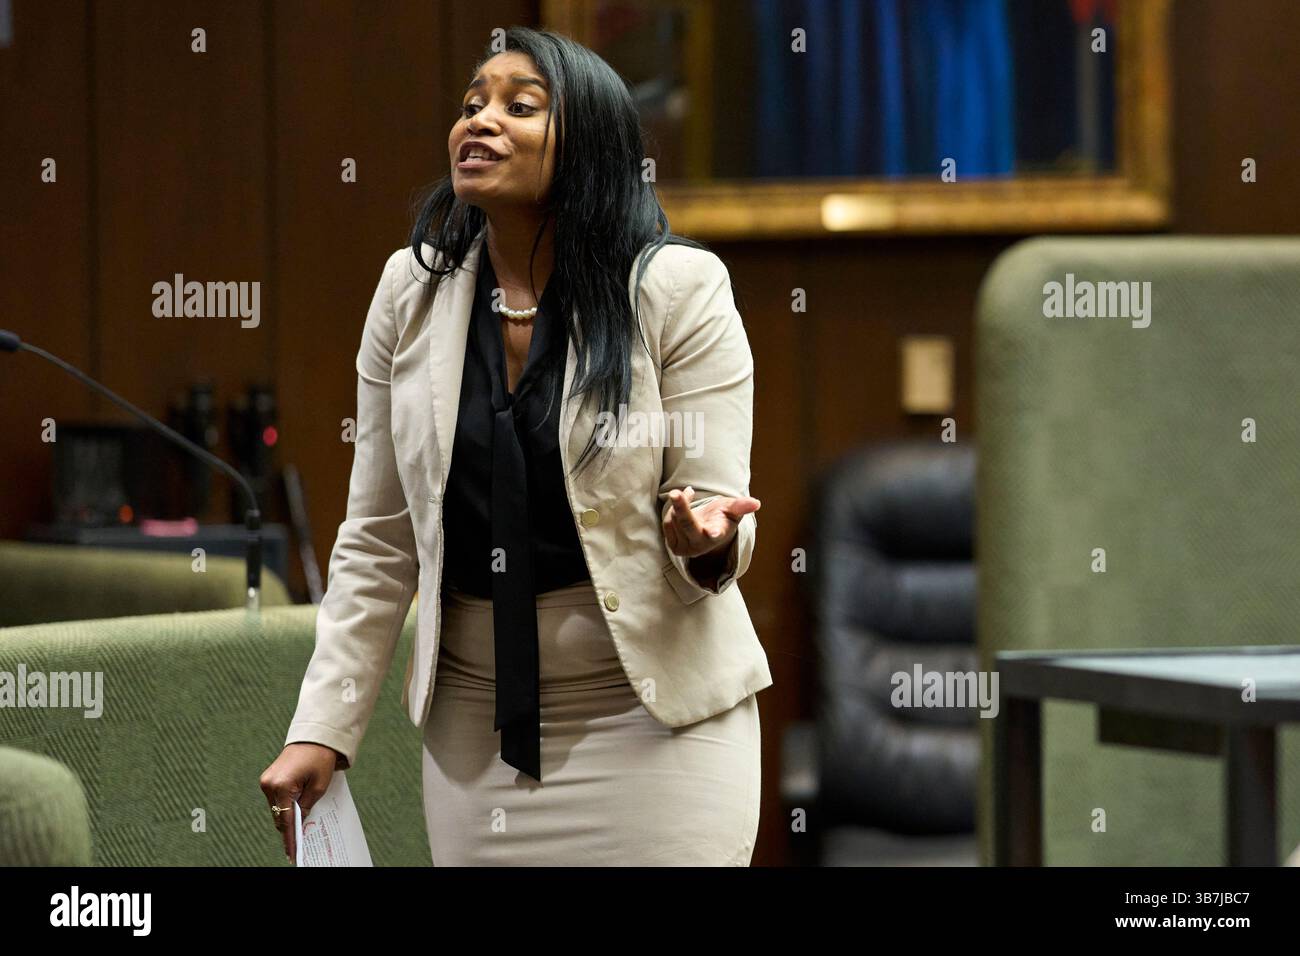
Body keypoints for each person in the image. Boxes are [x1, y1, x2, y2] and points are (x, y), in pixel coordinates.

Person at [259, 26, 772, 866]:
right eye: (472, 104)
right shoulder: (408, 294)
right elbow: (378, 540)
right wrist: (323, 726)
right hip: (478, 733)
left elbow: (719, 506)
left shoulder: (680, 290)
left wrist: (703, 538)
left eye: (518, 105)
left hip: (655, 721)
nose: (480, 121)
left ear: (590, 146)